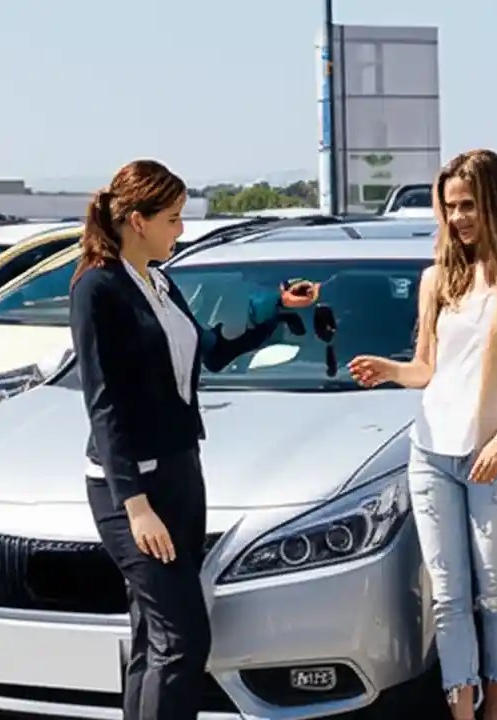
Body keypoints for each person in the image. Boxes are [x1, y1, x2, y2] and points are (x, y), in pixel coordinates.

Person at [68, 158, 317, 720]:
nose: (181, 230)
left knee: (152, 636)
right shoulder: (97, 288)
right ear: (138, 220)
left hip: (182, 471)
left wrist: (277, 314)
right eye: (174, 219)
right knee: (183, 641)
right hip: (130, 489)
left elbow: (210, 351)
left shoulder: (159, 280)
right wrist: (134, 507)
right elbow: (103, 403)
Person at [349, 148, 497, 720]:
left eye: (469, 205)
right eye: (450, 208)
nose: (460, 217)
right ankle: (462, 707)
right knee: (448, 596)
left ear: (495, 202)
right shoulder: (437, 277)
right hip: (430, 454)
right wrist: (390, 370)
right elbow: (427, 368)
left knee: (496, 595)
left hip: (496, 457)